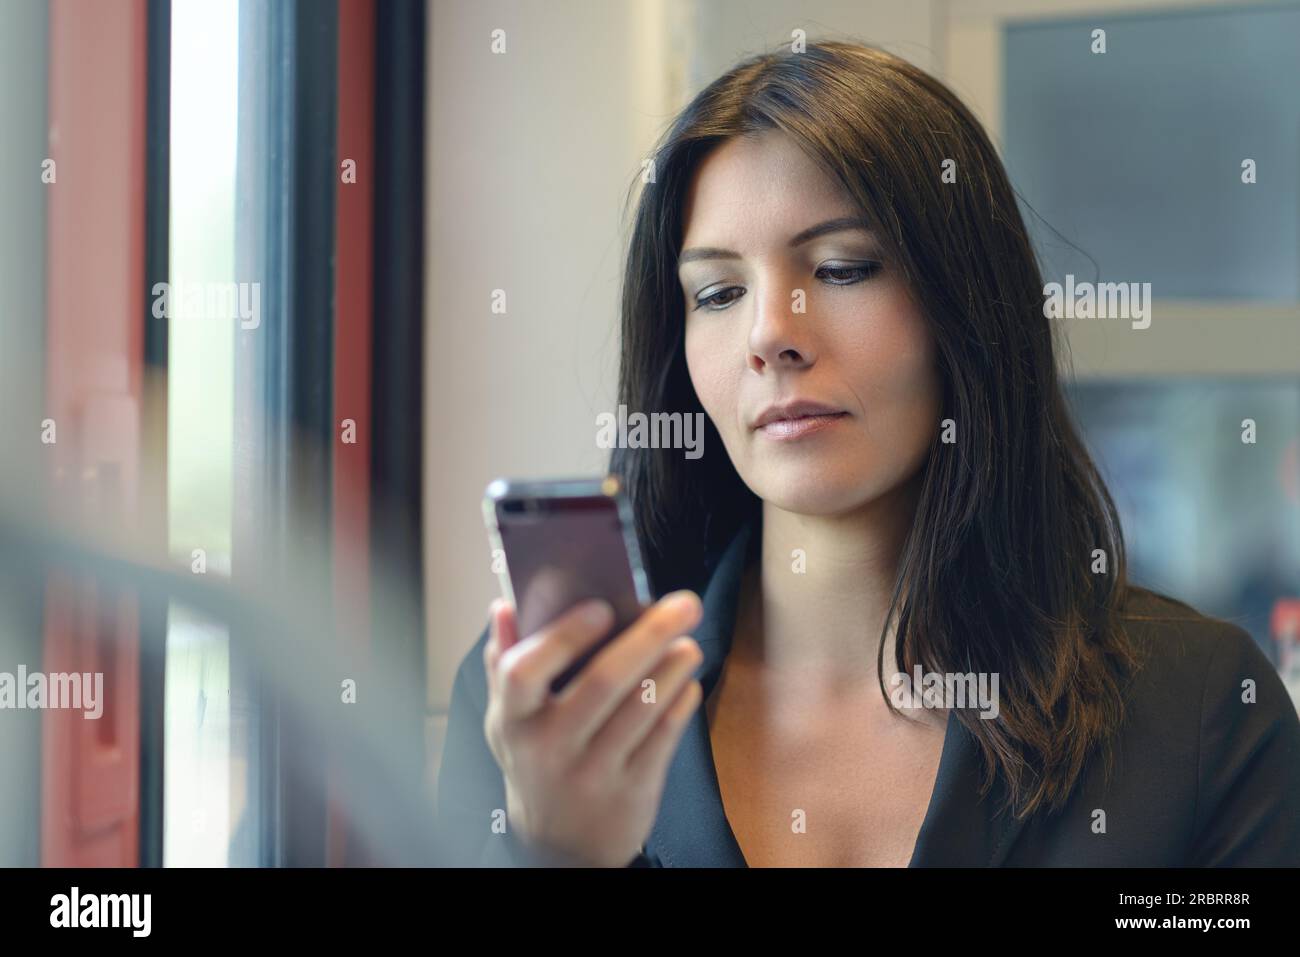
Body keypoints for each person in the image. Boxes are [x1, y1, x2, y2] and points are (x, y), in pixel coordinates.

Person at [434, 40, 1300, 867]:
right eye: (720, 291)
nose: (771, 334)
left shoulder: (1201, 706)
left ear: (965, 307)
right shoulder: (552, 700)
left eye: (844, 269)